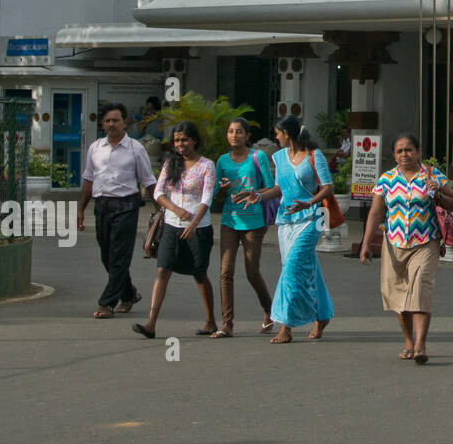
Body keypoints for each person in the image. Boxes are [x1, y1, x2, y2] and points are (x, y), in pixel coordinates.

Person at [360, 132, 453, 364]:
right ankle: (408, 341)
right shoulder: (386, 179)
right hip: (394, 243)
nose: (405, 154)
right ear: (394, 155)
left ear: (418, 152)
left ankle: (421, 344)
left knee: (421, 289)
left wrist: (439, 193)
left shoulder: (433, 175)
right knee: (399, 294)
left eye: (409, 149)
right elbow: (375, 213)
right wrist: (366, 243)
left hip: (426, 241)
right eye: (399, 151)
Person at [132, 121, 218, 339]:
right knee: (163, 270)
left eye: (185, 140)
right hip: (171, 225)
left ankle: (210, 320)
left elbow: (207, 198)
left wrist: (193, 223)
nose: (180, 144)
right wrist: (176, 210)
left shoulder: (206, 165)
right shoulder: (171, 163)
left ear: (194, 141)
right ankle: (151, 324)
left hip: (199, 228)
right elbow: (158, 193)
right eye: (177, 140)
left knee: (199, 274)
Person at [255, 116, 334, 343]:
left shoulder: (313, 155)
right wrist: (257, 196)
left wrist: (309, 203)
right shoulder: (279, 157)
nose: (276, 137)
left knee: (291, 269)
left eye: (277, 133)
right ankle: (322, 315)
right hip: (286, 221)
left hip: (312, 219)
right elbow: (278, 189)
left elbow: (327, 187)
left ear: (287, 133)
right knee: (309, 269)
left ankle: (285, 325)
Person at [77, 102, 157, 319]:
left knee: (119, 257)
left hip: (127, 206)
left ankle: (106, 303)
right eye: (107, 121)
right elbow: (88, 179)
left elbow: (149, 181)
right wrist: (80, 210)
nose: (111, 124)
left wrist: (161, 209)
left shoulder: (136, 148)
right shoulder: (95, 148)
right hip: (102, 205)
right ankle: (129, 293)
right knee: (107, 256)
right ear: (102, 124)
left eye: (116, 120)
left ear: (125, 123)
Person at [211, 117, 274, 338]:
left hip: (254, 223)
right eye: (230, 132)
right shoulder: (222, 161)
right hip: (230, 220)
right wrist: (223, 189)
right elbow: (216, 196)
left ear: (247, 136)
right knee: (225, 273)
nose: (234, 136)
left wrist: (254, 194)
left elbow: (271, 188)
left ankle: (269, 310)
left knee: (251, 271)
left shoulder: (258, 158)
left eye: (239, 132)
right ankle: (227, 324)